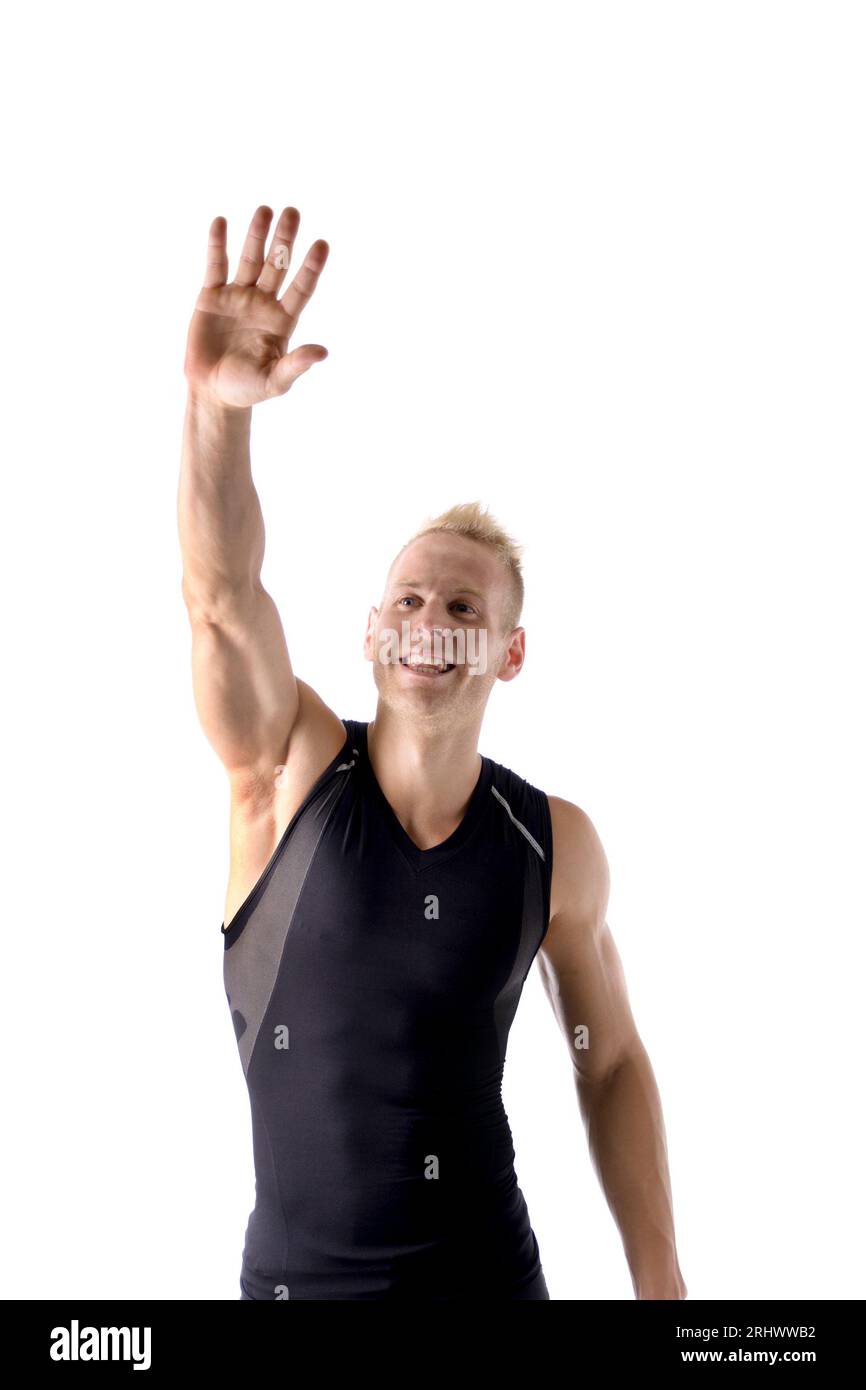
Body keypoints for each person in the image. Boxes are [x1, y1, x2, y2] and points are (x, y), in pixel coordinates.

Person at [177, 202, 688, 1302]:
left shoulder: (552, 846)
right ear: (370, 631)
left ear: (505, 653)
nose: (427, 618)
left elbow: (604, 1056)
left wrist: (662, 1284)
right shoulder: (289, 769)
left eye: (460, 603)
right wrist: (216, 414)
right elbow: (221, 603)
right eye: (406, 596)